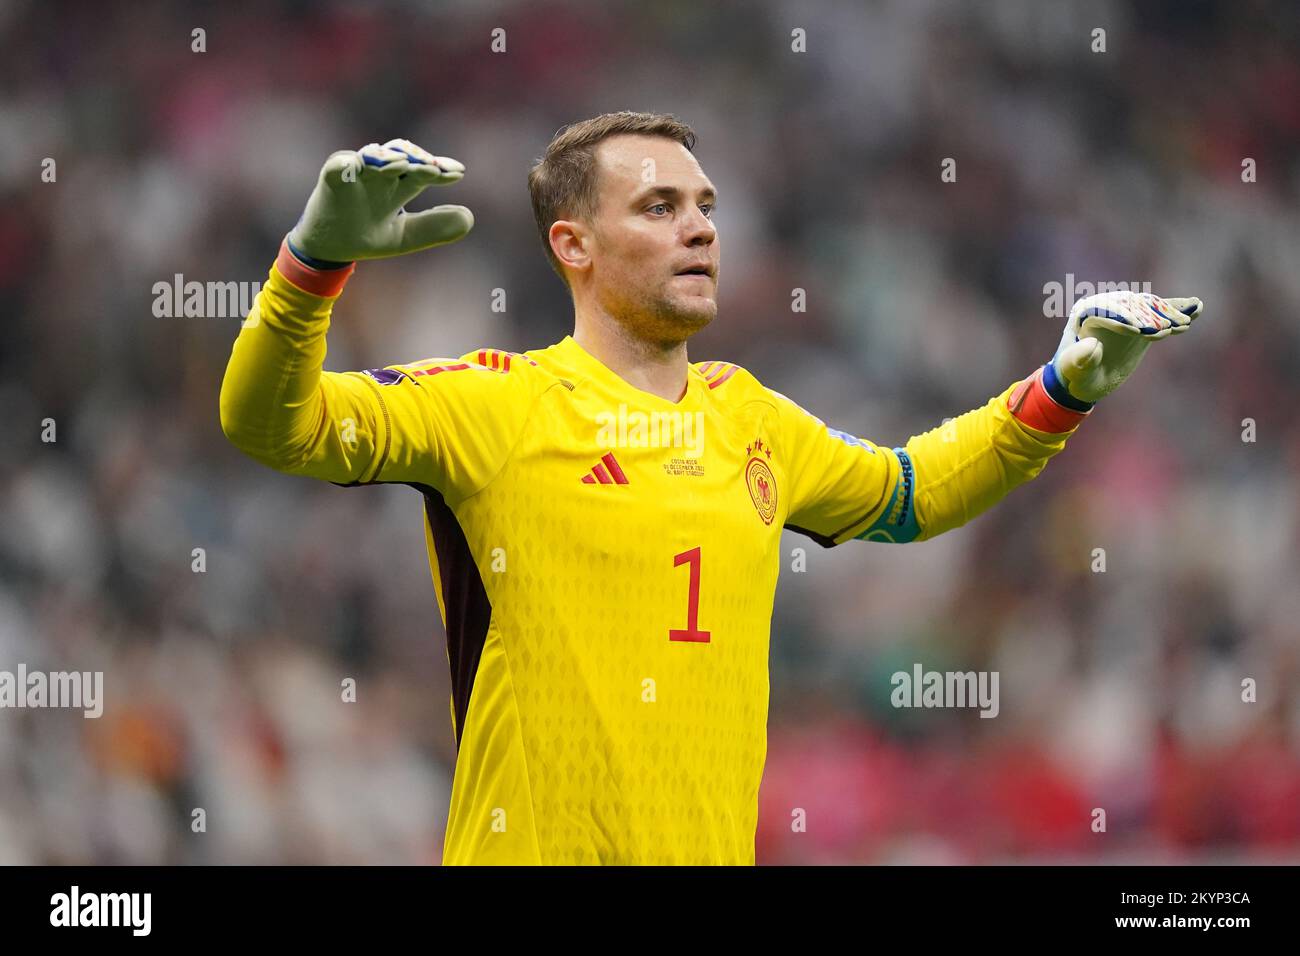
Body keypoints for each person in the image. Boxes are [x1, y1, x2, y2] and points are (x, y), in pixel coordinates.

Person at [219, 110, 1202, 864]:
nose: (698, 229)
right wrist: (313, 262)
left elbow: (908, 495)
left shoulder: (752, 419)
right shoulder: (494, 404)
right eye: (658, 207)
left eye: (704, 207)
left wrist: (1060, 388)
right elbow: (272, 423)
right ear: (574, 245)